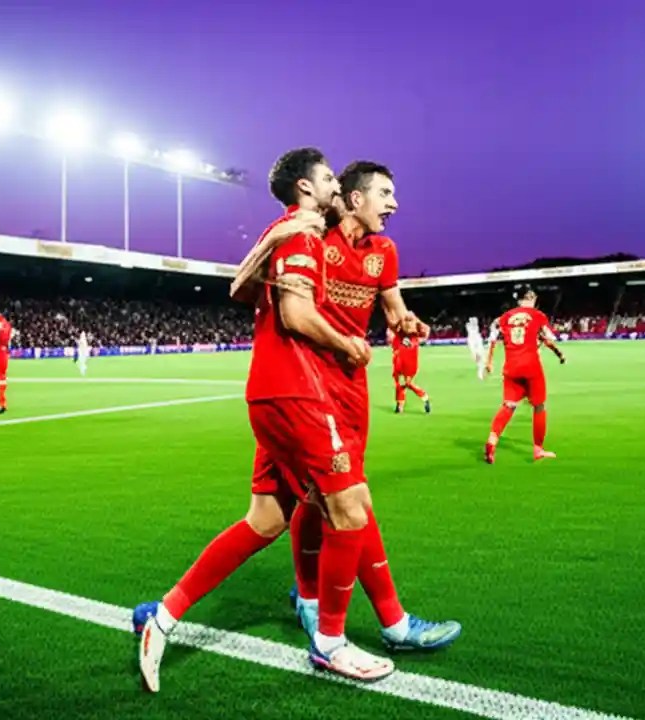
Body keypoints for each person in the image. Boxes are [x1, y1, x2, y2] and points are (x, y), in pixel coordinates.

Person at [132, 148, 392, 692]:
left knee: (266, 520)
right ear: (306, 187)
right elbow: (296, 315)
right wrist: (346, 341)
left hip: (272, 392)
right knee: (350, 507)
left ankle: (165, 614)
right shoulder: (301, 236)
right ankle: (330, 643)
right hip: (296, 392)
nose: (336, 186)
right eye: (328, 178)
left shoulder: (289, 231)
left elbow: (244, 288)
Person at [266, 160, 459, 653]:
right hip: (310, 384)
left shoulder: (384, 251)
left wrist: (408, 323)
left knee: (337, 496)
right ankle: (356, 614)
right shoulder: (315, 238)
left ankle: (316, 599)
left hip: (353, 388)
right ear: (356, 198)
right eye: (385, 194)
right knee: (339, 496)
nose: (394, 204)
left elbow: (394, 310)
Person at [484, 290, 566, 464]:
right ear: (533, 299)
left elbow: (492, 337)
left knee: (508, 406)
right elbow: (549, 337)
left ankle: (492, 441)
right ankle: (538, 449)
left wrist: (489, 362)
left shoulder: (504, 317)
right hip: (531, 366)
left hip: (511, 367)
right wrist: (559, 354)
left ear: (518, 300)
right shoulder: (538, 315)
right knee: (539, 406)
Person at [389, 326, 430, 413]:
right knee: (400, 385)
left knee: (407, 384)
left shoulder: (413, 336)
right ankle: (400, 406)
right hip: (398, 362)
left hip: (409, 364)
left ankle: (424, 397)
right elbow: (394, 347)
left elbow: (424, 332)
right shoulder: (398, 336)